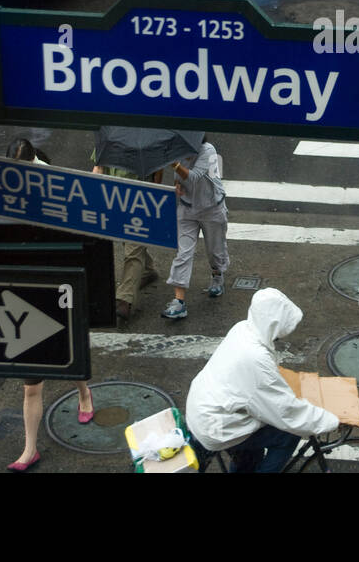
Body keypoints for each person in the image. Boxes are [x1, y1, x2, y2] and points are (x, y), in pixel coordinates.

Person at [5, 138, 93, 472]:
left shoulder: (55, 187)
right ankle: (29, 450)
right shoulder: (1, 187)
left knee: (67, 355)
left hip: (54, 288)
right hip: (23, 295)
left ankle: (84, 393)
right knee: (32, 386)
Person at [185, 288, 341, 473]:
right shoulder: (256, 359)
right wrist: (331, 421)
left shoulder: (242, 329)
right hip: (217, 425)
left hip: (204, 408)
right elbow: (287, 412)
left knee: (252, 451)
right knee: (288, 435)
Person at [162, 140, 229, 320]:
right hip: (187, 209)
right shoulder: (176, 150)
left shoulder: (207, 150)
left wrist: (174, 164)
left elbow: (193, 176)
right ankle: (179, 302)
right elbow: (181, 179)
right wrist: (177, 185)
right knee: (183, 253)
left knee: (215, 252)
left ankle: (217, 275)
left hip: (212, 209)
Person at [92, 152, 160, 322]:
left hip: (138, 203)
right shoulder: (107, 138)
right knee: (128, 244)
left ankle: (125, 300)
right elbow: (98, 167)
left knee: (133, 251)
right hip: (113, 201)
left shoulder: (147, 143)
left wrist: (153, 196)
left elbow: (157, 172)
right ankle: (148, 270)